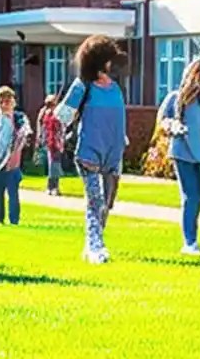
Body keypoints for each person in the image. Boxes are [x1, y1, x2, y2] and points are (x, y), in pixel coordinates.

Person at [56, 35, 129, 264]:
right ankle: (96, 247)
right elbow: (62, 116)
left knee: (107, 203)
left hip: (114, 154)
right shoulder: (82, 86)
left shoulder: (116, 88)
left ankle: (94, 241)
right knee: (95, 201)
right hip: (89, 152)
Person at [156, 59, 200, 255]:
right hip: (183, 151)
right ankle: (190, 242)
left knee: (198, 197)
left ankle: (192, 236)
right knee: (190, 196)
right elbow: (163, 121)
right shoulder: (177, 98)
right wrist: (173, 126)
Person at [0, 86, 30, 225]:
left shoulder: (19, 118)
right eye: (1, 101)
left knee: (13, 194)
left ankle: (14, 220)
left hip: (12, 163)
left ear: (14, 102)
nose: (4, 104)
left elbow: (25, 136)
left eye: (8, 101)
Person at [38, 94, 64, 196]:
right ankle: (52, 187)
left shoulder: (56, 113)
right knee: (53, 164)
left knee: (55, 164)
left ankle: (53, 186)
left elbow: (61, 127)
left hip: (57, 142)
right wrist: (40, 138)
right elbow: (42, 126)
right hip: (50, 142)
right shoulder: (46, 113)